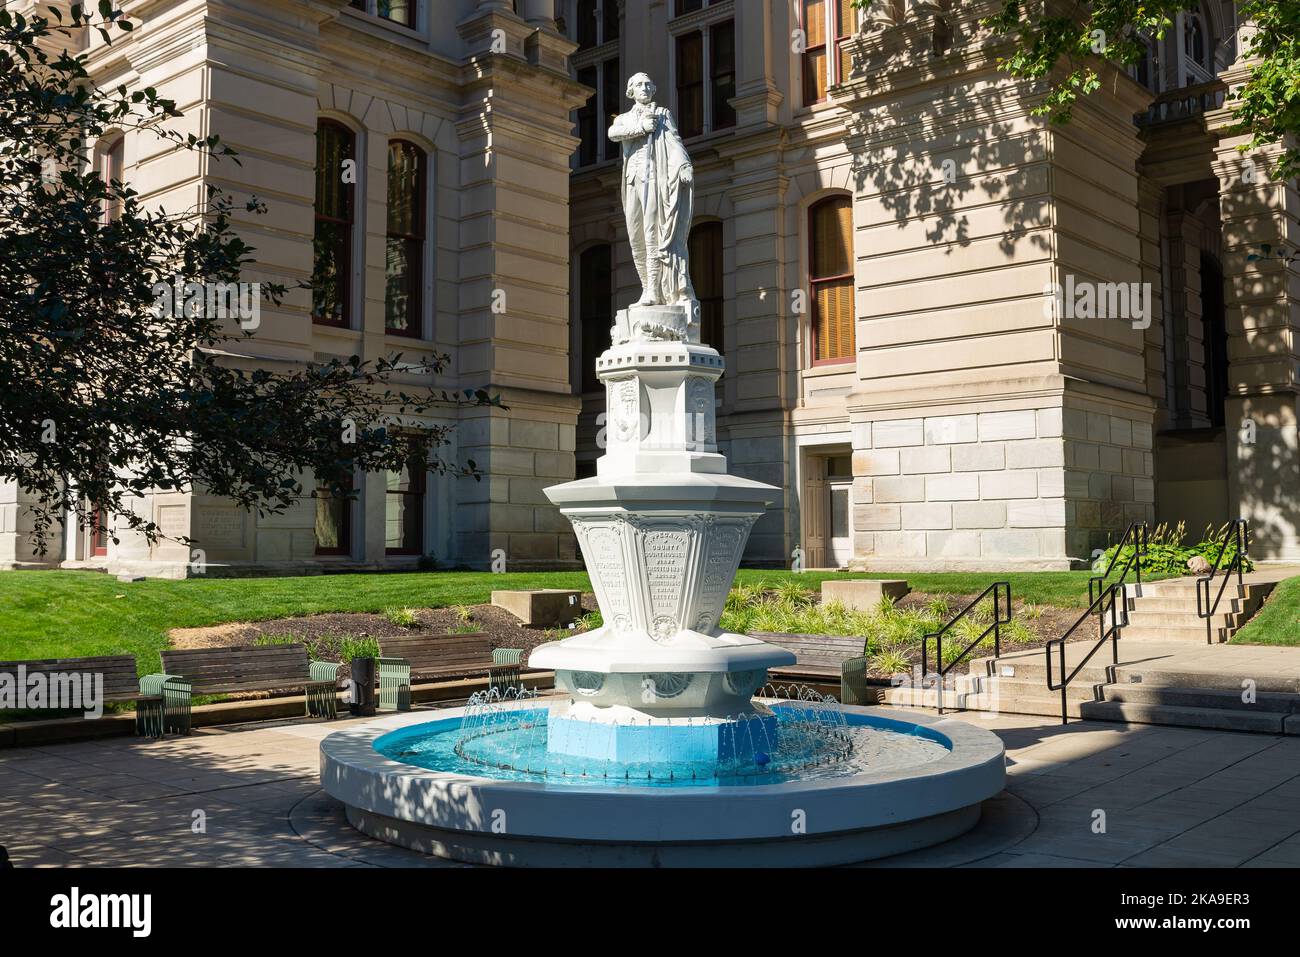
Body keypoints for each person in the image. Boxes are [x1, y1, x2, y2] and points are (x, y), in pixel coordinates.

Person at [607, 73, 696, 308]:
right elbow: (613, 133)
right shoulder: (625, 119)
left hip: (653, 179)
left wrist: (684, 165)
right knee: (635, 236)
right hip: (632, 180)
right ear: (631, 91)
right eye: (639, 84)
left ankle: (653, 292)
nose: (644, 88)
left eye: (648, 84)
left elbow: (674, 141)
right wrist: (641, 127)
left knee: (651, 233)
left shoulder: (662, 114)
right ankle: (646, 286)